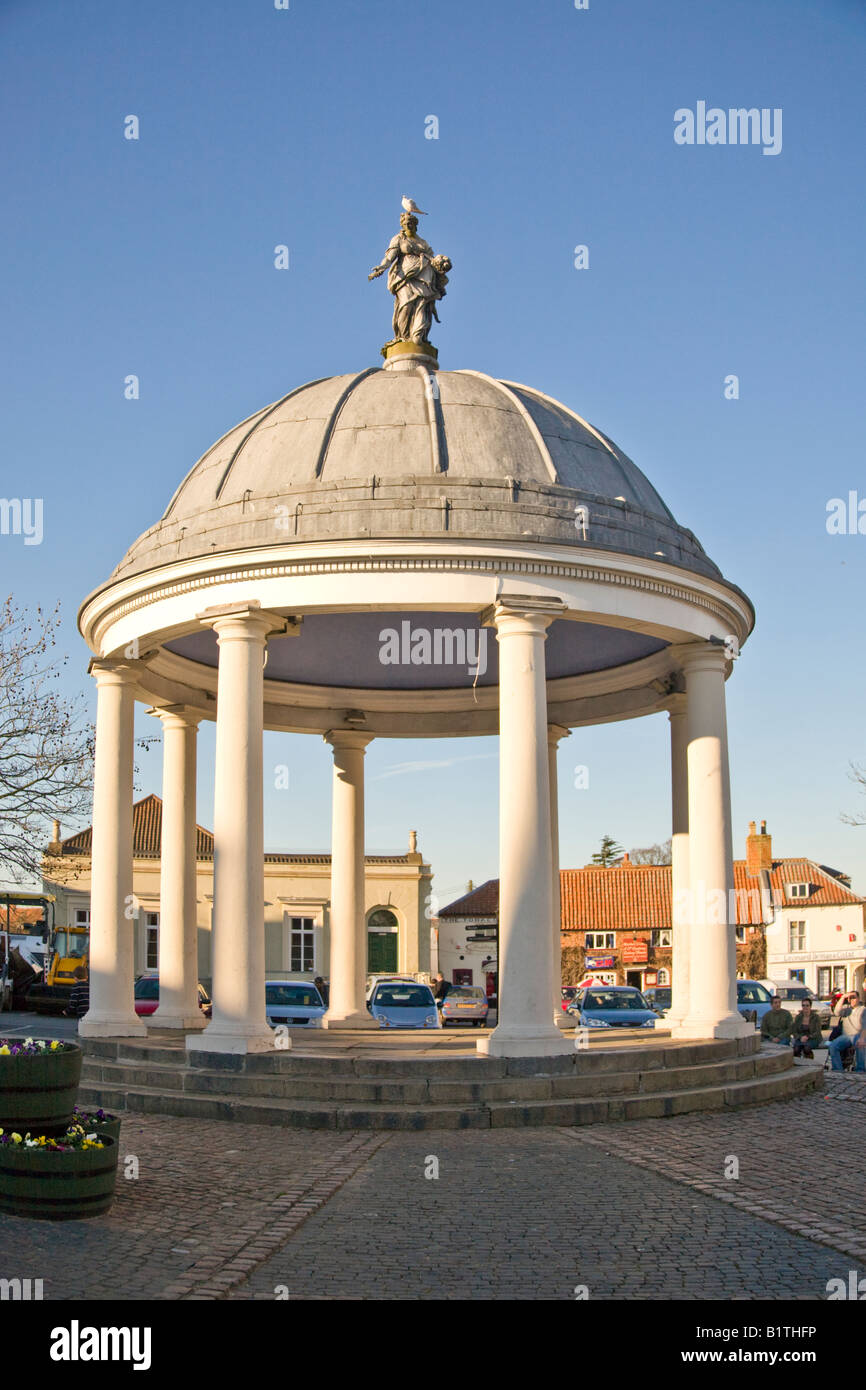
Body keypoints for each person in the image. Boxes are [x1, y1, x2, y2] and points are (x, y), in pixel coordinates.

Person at [828, 991, 866, 1072]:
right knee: (833, 1046)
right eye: (850, 998)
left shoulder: (863, 1010)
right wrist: (843, 997)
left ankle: (860, 1069)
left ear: (858, 999)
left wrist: (862, 1038)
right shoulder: (846, 1009)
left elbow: (865, 1026)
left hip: (858, 1035)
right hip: (846, 1036)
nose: (852, 1000)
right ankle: (838, 1070)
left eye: (854, 998)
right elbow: (836, 1012)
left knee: (860, 1043)